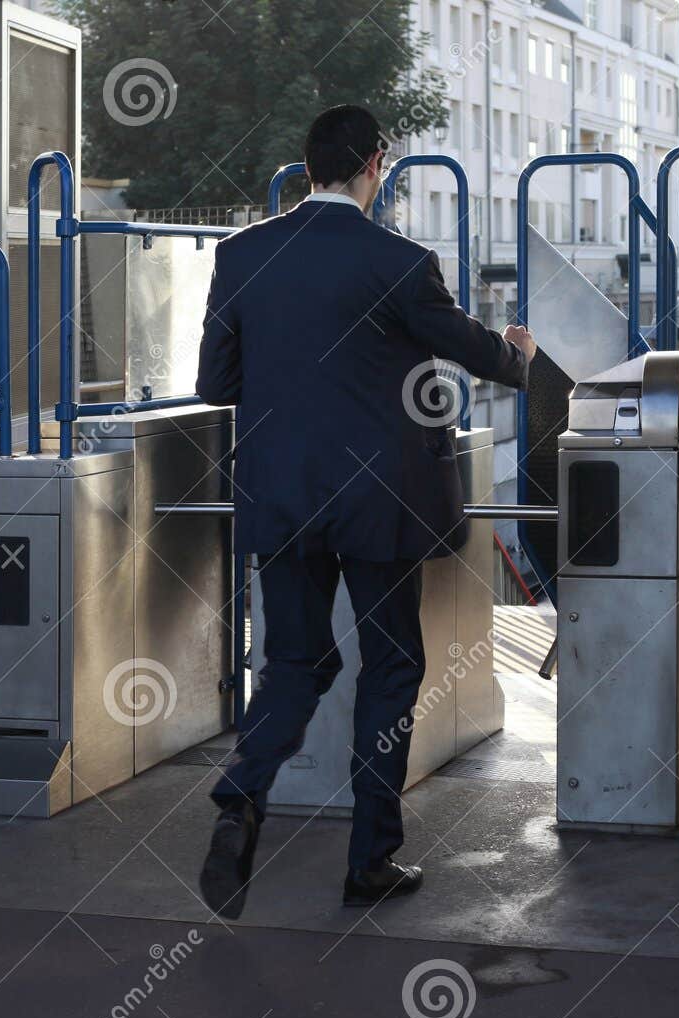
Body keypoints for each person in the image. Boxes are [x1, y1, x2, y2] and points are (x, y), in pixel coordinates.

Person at [194, 104, 536, 919]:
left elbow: (215, 384)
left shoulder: (242, 256)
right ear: (377, 164)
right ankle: (370, 861)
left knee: (297, 664)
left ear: (307, 166)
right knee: (391, 665)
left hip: (280, 497)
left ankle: (242, 793)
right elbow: (467, 345)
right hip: (381, 505)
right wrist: (518, 356)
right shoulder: (401, 261)